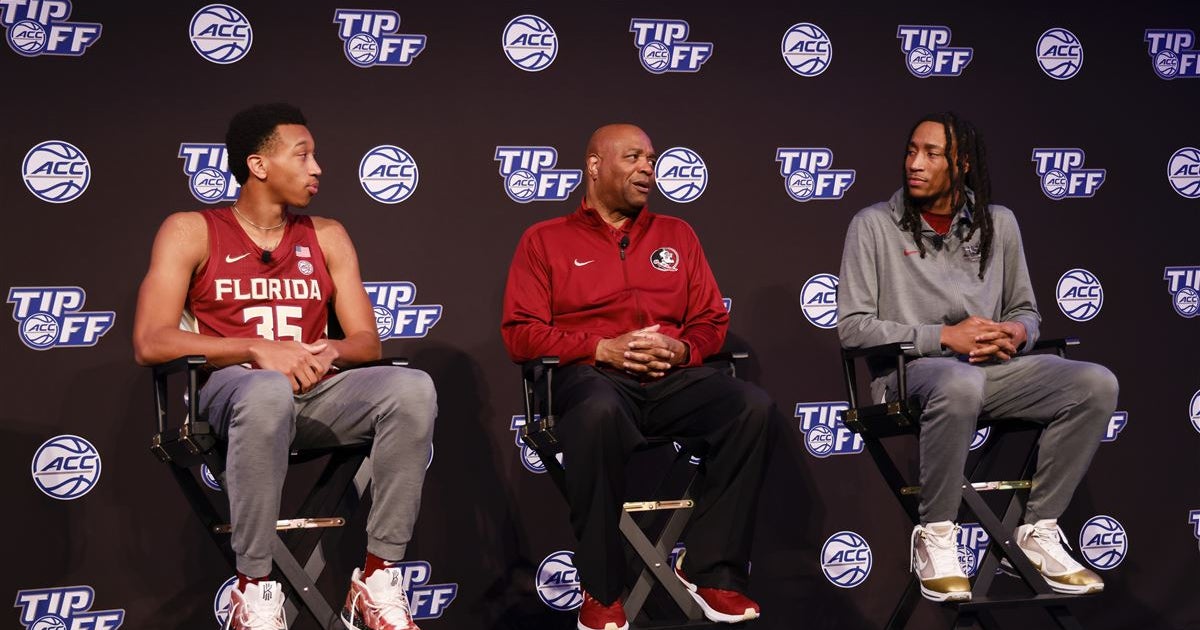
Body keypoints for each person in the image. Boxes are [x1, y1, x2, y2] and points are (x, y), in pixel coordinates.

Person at [133, 103, 436, 630]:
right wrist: (256, 349)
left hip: (316, 394)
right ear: (258, 165)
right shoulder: (191, 230)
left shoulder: (327, 234)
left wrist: (331, 351)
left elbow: (366, 342)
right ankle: (253, 588)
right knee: (266, 389)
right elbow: (150, 341)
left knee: (412, 388)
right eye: (303, 155)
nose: (317, 168)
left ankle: (378, 577)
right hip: (231, 393)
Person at [501, 123, 774, 630]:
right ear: (594, 165)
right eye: (633, 157)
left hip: (668, 379)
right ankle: (602, 589)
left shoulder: (677, 234)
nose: (648, 168)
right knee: (598, 411)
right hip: (593, 378)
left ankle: (710, 570)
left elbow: (710, 320)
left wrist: (682, 349)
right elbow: (521, 333)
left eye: (651, 159)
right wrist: (600, 347)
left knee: (751, 407)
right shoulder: (545, 239)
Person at [837, 112, 1118, 602]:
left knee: (1095, 383)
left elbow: (1026, 310)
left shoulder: (998, 223)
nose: (915, 163)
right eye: (911, 151)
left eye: (932, 154)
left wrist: (1015, 332)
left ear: (962, 163)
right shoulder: (874, 225)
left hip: (993, 372)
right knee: (957, 382)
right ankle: (936, 535)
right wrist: (946, 337)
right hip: (908, 376)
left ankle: (1037, 532)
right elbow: (853, 328)